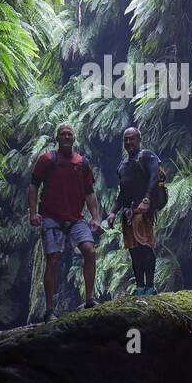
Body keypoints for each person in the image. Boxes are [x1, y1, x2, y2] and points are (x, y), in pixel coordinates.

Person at [28, 124, 103, 321]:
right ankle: (50, 310)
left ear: (74, 138)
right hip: (51, 217)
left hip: (76, 218)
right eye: (63, 134)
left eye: (69, 134)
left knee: (90, 250)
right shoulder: (47, 160)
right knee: (53, 259)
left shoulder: (82, 163)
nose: (66, 137)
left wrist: (95, 217)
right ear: (57, 138)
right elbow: (33, 186)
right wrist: (33, 213)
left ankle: (89, 299)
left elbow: (89, 193)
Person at [106, 127, 160, 295]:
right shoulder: (123, 166)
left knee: (145, 247)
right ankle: (139, 287)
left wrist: (147, 200)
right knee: (134, 251)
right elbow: (123, 192)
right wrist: (113, 212)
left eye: (132, 139)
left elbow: (154, 177)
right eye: (126, 140)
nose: (129, 142)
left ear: (139, 138)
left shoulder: (147, 156)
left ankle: (150, 287)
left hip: (143, 211)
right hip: (129, 214)